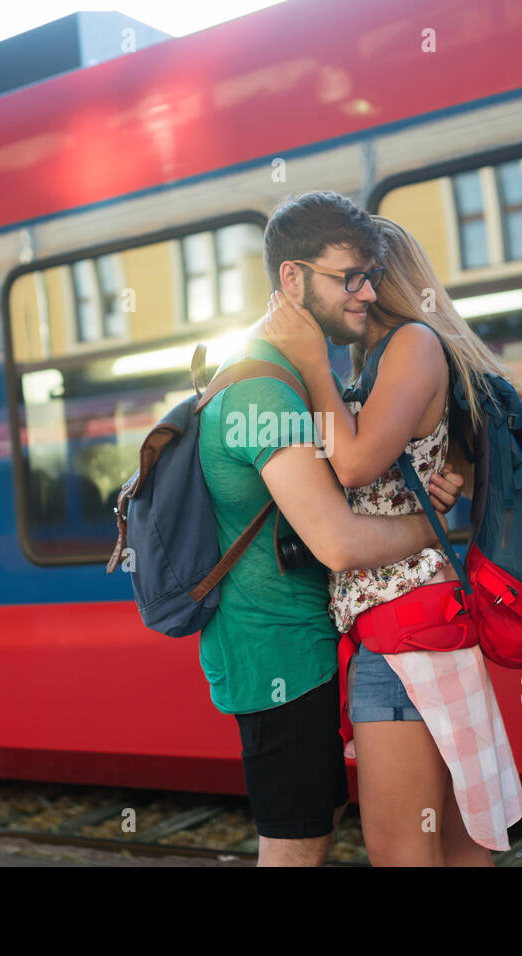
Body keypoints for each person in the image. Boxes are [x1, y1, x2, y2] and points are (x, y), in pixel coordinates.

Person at [197, 192, 465, 866]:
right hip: (282, 657)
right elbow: (340, 541)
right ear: (293, 278)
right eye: (350, 277)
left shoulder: (297, 378)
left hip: (308, 650)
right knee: (298, 845)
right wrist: (434, 528)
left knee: (336, 832)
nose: (367, 292)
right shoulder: (269, 391)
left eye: (371, 276)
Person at [261, 212, 522, 866]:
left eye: (362, 274)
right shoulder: (386, 361)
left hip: (403, 636)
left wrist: (309, 363)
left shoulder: (411, 344)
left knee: (401, 851)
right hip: (413, 632)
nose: (354, 290)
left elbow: (353, 464)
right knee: (454, 847)